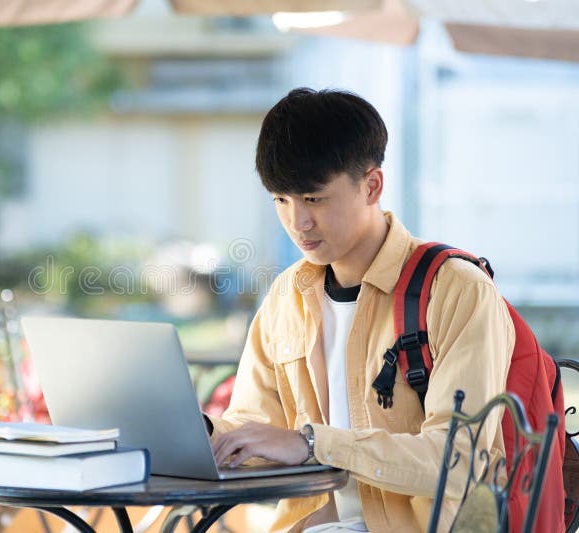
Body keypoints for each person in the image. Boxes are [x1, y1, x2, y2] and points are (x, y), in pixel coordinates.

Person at [205, 88, 514, 532]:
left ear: (372, 185)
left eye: (313, 199)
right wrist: (200, 434)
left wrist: (312, 443)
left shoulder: (456, 290)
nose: (298, 222)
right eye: (280, 199)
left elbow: (460, 457)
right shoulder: (287, 296)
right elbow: (255, 430)